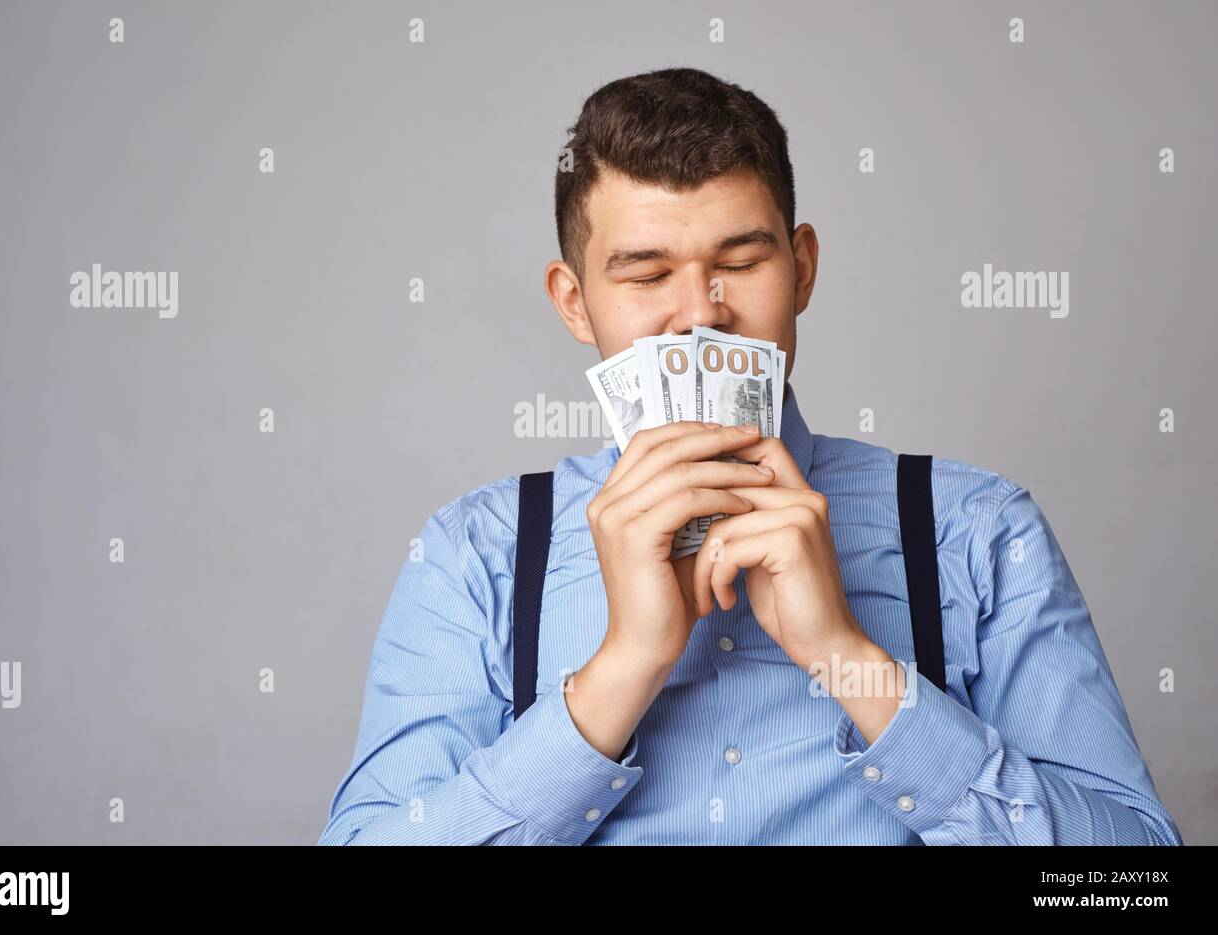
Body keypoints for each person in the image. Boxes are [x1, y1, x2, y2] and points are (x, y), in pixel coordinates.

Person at [317, 67, 1182, 845]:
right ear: (575, 302)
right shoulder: (477, 555)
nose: (700, 313)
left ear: (802, 269)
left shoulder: (977, 529)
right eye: (646, 274)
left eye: (740, 259)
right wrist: (622, 668)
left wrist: (849, 654)